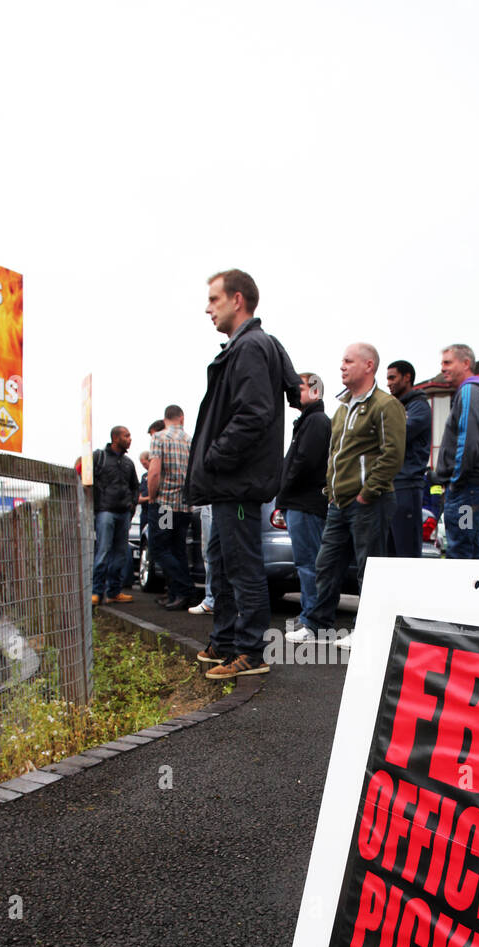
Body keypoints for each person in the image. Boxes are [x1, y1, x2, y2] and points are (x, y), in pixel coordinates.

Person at [184, 268, 300, 679]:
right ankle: (227, 642)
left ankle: (251, 651)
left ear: (237, 300)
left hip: (236, 481)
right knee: (222, 560)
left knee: (243, 565)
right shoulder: (247, 346)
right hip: (229, 482)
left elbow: (254, 414)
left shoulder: (251, 347)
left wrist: (216, 455)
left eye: (213, 299)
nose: (207, 308)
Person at [286, 342, 405, 649]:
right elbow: (334, 455)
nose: (342, 366)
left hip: (370, 501)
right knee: (326, 563)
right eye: (342, 361)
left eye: (349, 361)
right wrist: (330, 491)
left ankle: (367, 630)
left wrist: (367, 493)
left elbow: (393, 455)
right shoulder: (341, 409)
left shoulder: (385, 405)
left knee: (369, 568)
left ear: (369, 365)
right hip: (338, 503)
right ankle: (316, 624)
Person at [276, 372, 331, 628]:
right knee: (306, 563)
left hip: (305, 503)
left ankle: (313, 620)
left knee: (309, 563)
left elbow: (305, 462)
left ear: (315, 391)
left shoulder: (317, 421)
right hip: (299, 502)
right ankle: (309, 615)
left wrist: (284, 487)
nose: (292, 394)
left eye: (298, 389)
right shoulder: (307, 421)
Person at [435, 344, 479, 558]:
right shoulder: (474, 392)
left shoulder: (470, 391)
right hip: (471, 488)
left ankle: (462, 591)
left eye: (448, 362)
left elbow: (469, 440)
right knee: (470, 546)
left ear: (466, 363)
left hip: (467, 489)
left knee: (462, 548)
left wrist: (456, 479)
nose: (443, 368)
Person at [147, 405, 197, 611]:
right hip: (184, 506)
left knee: (159, 548)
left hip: (165, 505)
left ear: (165, 418)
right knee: (178, 549)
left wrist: (151, 497)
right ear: (181, 418)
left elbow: (155, 472)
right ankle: (178, 593)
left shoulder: (159, 438)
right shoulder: (190, 440)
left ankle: (185, 590)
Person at [385, 360, 432, 557]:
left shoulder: (419, 407)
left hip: (407, 484)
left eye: (392, 377)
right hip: (390, 486)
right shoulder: (394, 408)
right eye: (387, 378)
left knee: (407, 553)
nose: (388, 383)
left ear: (407, 377)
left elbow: (396, 434)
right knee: (390, 553)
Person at [91, 426, 139, 605]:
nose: (130, 439)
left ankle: (113, 591)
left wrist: (131, 505)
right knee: (103, 551)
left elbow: (134, 486)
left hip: (123, 512)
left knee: (120, 554)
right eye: (126, 435)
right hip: (105, 511)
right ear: (116, 438)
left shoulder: (128, 463)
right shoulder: (99, 457)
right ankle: (97, 592)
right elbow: (84, 473)